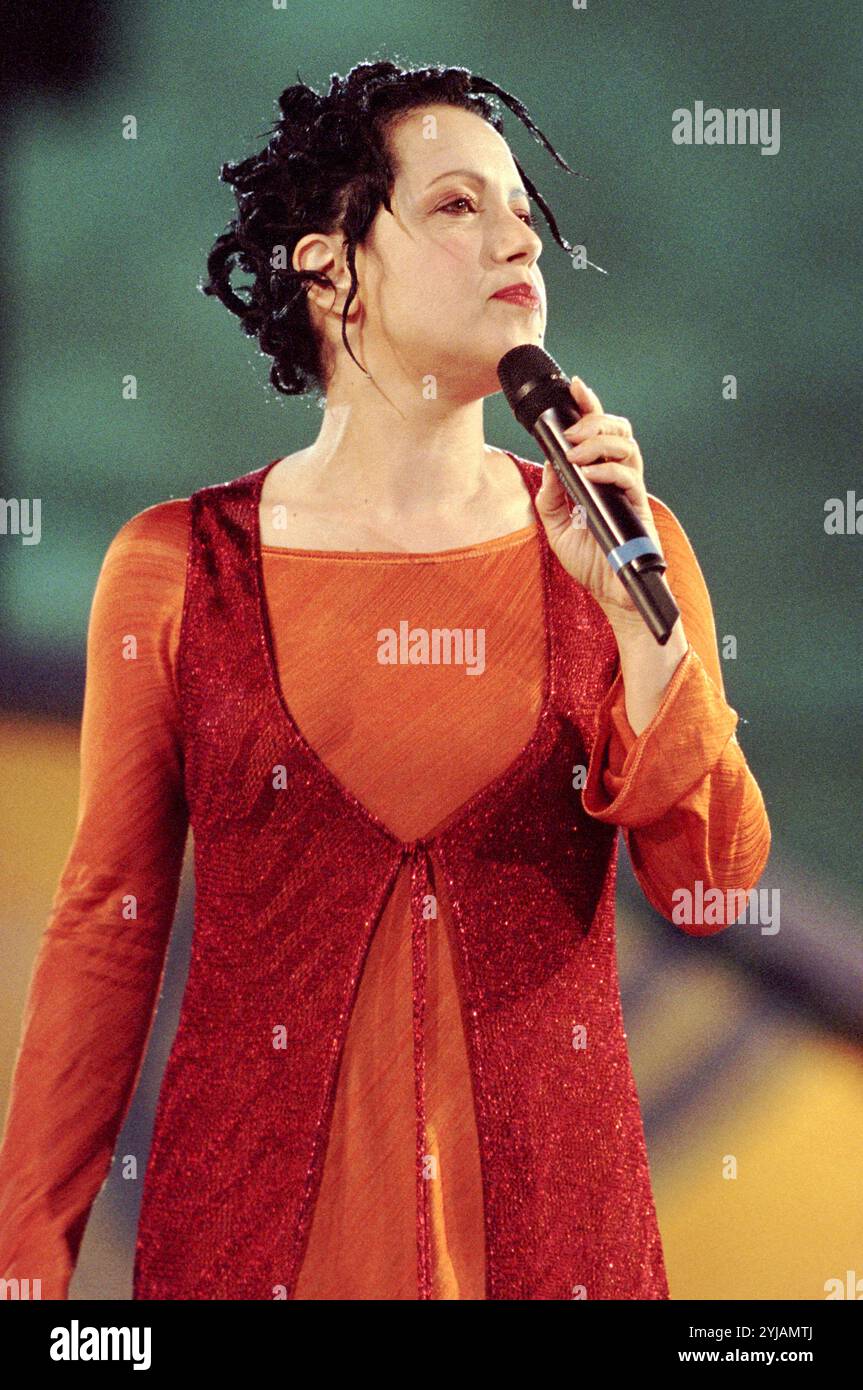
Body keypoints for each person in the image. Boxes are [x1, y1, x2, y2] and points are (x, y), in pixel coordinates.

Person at [0, 60, 771, 1300]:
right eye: (458, 206)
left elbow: (711, 895)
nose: (516, 232)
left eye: (521, 208)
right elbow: (103, 935)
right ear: (329, 268)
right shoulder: (177, 569)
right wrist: (27, 1271)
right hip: (248, 1246)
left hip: (561, 1250)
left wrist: (643, 628)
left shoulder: (621, 538)